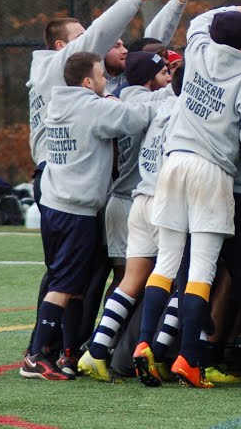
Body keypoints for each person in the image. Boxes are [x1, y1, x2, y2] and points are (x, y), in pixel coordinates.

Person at [132, 0, 241, 389]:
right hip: (212, 171)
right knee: (201, 269)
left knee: (167, 262)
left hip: (174, 161)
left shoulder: (196, 49)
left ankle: (144, 345)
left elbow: (199, 19)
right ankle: (189, 360)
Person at [22, 51, 159, 380]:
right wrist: (163, 98)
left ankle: (68, 352)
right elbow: (135, 118)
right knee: (65, 284)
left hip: (56, 203)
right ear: (87, 82)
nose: (105, 81)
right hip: (76, 210)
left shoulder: (59, 100)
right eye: (101, 76)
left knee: (73, 284)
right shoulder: (92, 107)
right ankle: (37, 355)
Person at [78, 62, 183, 383]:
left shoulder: (157, 104)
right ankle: (157, 353)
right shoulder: (188, 110)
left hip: (139, 199)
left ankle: (96, 351)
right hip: (165, 205)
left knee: (131, 281)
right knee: (183, 279)